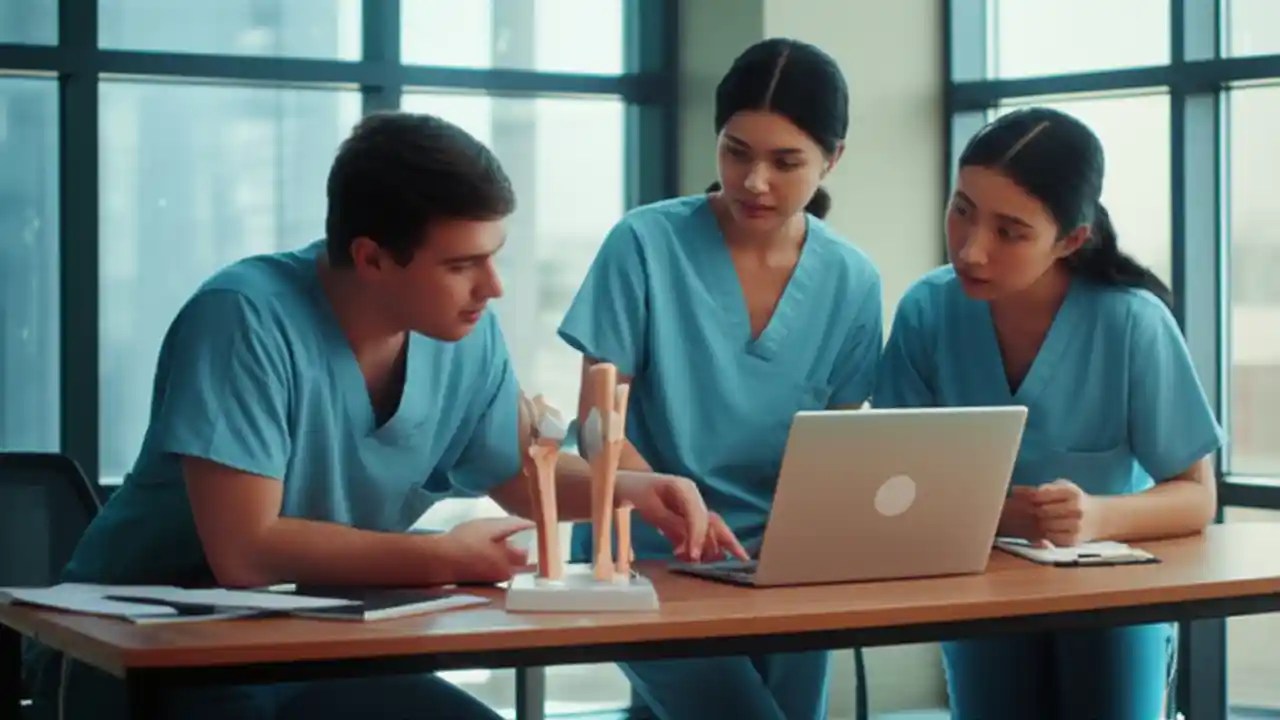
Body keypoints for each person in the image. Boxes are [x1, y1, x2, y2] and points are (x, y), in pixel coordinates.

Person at [22, 112, 735, 720]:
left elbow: (527, 476)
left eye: (494, 257)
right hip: (142, 657)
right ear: (371, 258)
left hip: (314, 648)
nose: (493, 286)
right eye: (462, 264)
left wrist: (634, 490)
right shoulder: (243, 319)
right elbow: (245, 552)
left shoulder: (462, 332)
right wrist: (442, 558)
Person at [558, 38, 883, 720]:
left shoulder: (852, 280)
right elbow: (595, 431)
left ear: (834, 159)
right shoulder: (644, 245)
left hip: (782, 565)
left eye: (785, 161)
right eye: (736, 151)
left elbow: (838, 453)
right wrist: (663, 505)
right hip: (643, 557)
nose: (754, 180)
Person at [874, 106, 1223, 720]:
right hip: (977, 588)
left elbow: (1196, 497)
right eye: (962, 210)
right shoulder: (927, 313)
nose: (972, 249)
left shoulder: (1132, 322)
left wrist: (1094, 516)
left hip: (1113, 596)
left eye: (1009, 231)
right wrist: (1000, 511)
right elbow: (896, 485)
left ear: (1070, 239)